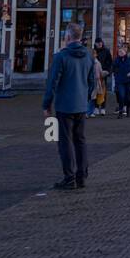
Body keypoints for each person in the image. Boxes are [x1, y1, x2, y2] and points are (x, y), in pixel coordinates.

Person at [43, 22, 96, 189]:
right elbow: (92, 81)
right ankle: (81, 176)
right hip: (81, 105)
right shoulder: (88, 56)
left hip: (65, 105)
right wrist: (85, 98)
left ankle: (70, 177)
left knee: (65, 142)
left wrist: (47, 104)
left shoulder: (61, 56)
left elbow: (52, 82)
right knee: (80, 140)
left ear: (67, 37)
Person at [113, 45, 130, 117]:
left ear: (125, 51)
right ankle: (120, 112)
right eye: (119, 51)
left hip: (129, 81)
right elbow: (113, 67)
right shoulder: (117, 59)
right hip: (120, 81)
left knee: (127, 97)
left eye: (122, 51)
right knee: (121, 96)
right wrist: (115, 74)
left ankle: (128, 110)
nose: (120, 53)